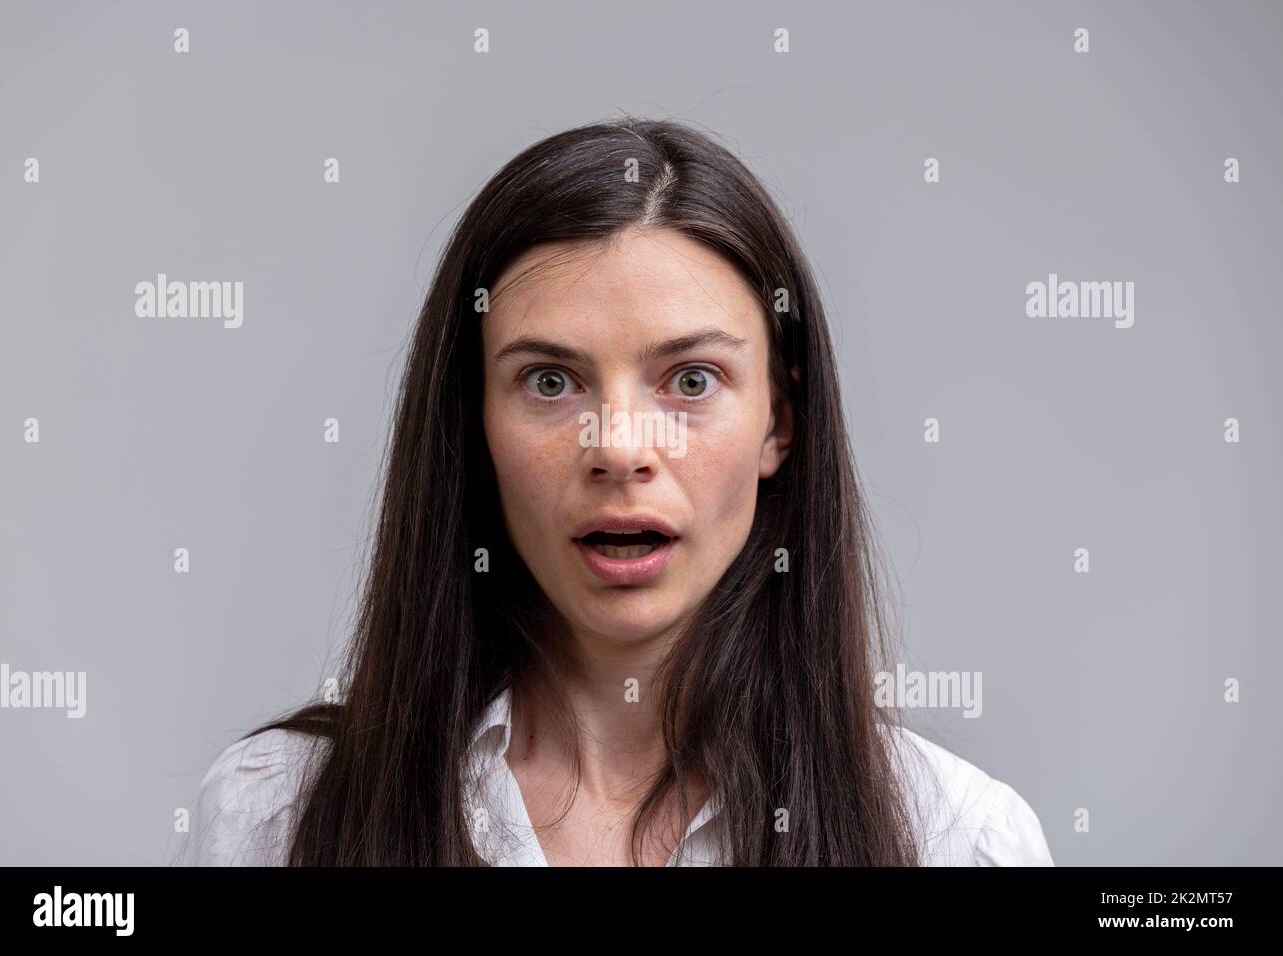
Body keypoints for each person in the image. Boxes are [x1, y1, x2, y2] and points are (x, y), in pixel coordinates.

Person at [180, 116, 1054, 867]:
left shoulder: (958, 841)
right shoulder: (275, 818)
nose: (621, 450)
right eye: (552, 383)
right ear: (472, 426)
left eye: (692, 380)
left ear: (779, 425)